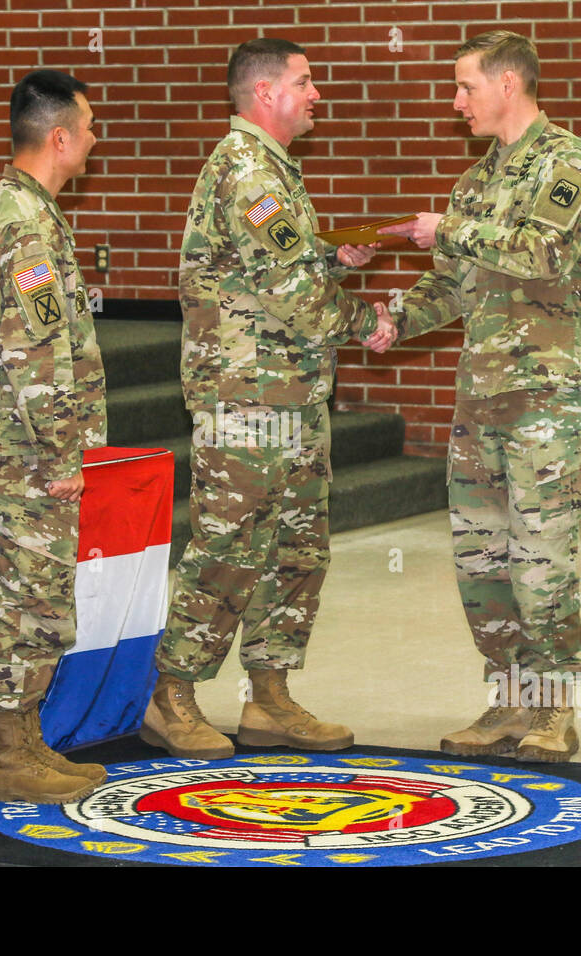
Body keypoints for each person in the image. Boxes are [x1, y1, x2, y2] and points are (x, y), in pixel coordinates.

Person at [140, 38, 396, 760]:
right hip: (248, 399)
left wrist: (326, 253)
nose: (317, 95)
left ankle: (270, 697)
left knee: (296, 548)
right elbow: (293, 296)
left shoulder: (273, 171)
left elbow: (277, 267)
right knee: (228, 546)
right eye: (305, 82)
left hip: (290, 395)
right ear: (263, 95)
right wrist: (366, 319)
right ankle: (171, 694)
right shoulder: (249, 173)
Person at [380, 30, 581, 763]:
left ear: (508, 85)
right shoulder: (476, 180)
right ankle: (510, 698)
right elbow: (453, 283)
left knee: (541, 562)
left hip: (549, 395)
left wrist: (449, 228)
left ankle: (555, 710)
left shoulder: (568, 162)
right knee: (482, 562)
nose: (457, 102)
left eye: (466, 87)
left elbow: (543, 252)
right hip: (480, 399)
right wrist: (394, 320)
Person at [0, 70, 107, 803]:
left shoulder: (22, 211)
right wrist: (60, 452)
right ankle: (9, 755)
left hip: (17, 442)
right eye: (89, 126)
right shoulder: (23, 220)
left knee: (34, 595)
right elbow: (34, 351)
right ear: (60, 136)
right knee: (31, 599)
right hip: (23, 448)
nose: (95, 139)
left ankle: (24, 741)